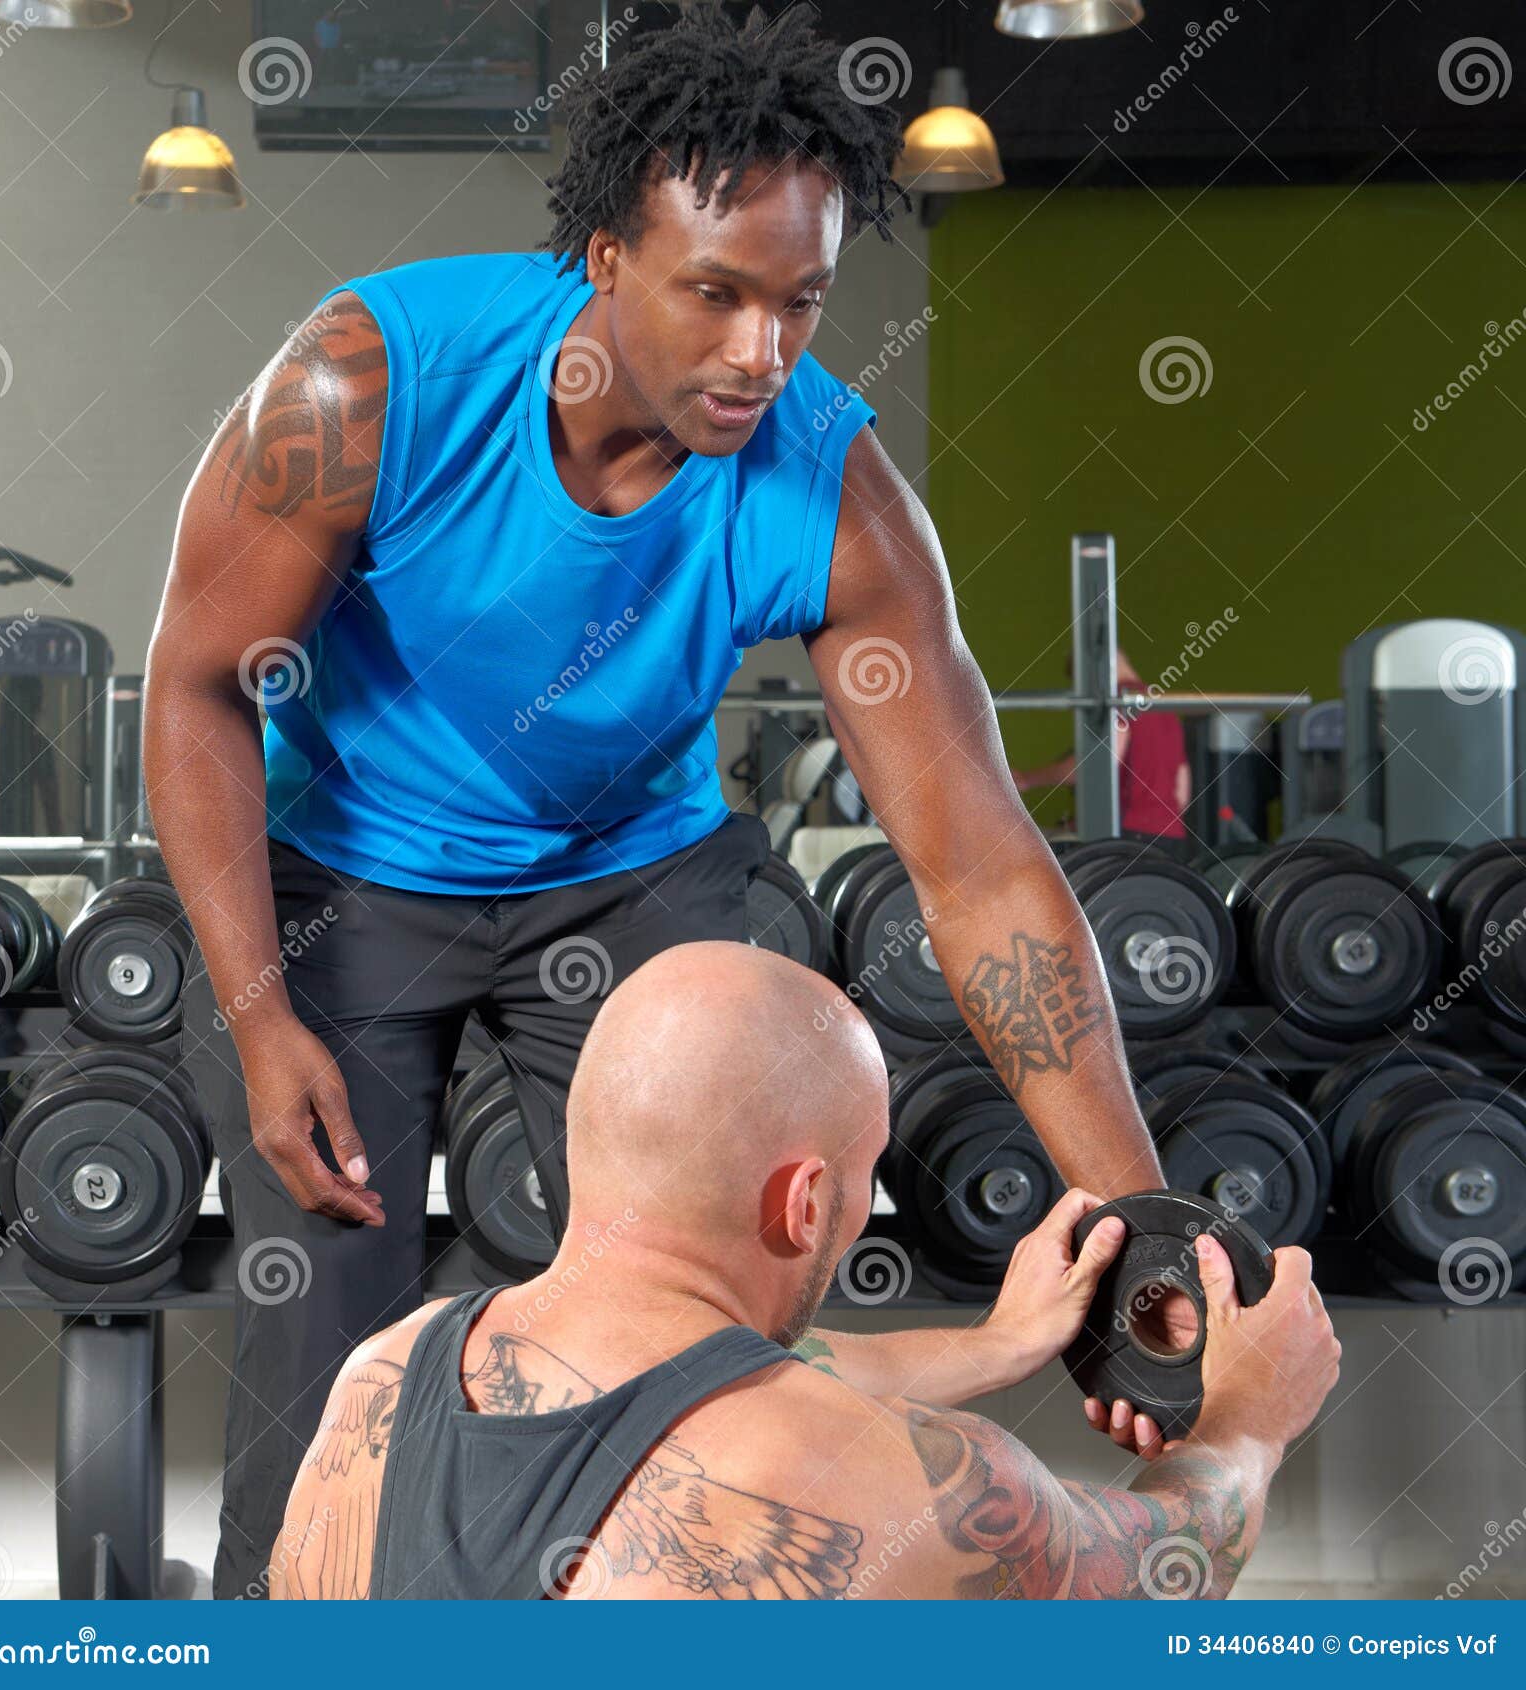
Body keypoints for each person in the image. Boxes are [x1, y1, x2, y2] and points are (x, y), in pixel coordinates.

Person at [148, 5, 1177, 1598]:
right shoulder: (371, 384)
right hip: (346, 876)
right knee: (322, 1351)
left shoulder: (834, 499)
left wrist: (1141, 1210)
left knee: (706, 1316)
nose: (762, 353)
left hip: (631, 876)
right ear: (606, 257)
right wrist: (258, 1008)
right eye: (717, 293)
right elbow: (197, 684)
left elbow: (976, 868)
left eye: (801, 304)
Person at [269, 945, 1341, 1600]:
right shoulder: (905, 1484)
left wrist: (994, 1347)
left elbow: (700, 1387)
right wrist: (1248, 1425)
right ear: (805, 1201)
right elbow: (1160, 1581)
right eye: (862, 1178)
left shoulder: (380, 1379)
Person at [1012, 649, 1192, 845]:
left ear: (1091, 673)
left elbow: (1091, 766)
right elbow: (1182, 789)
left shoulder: (1118, 703)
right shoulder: (1164, 708)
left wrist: (1027, 779)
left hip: (1129, 835)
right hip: (1171, 836)